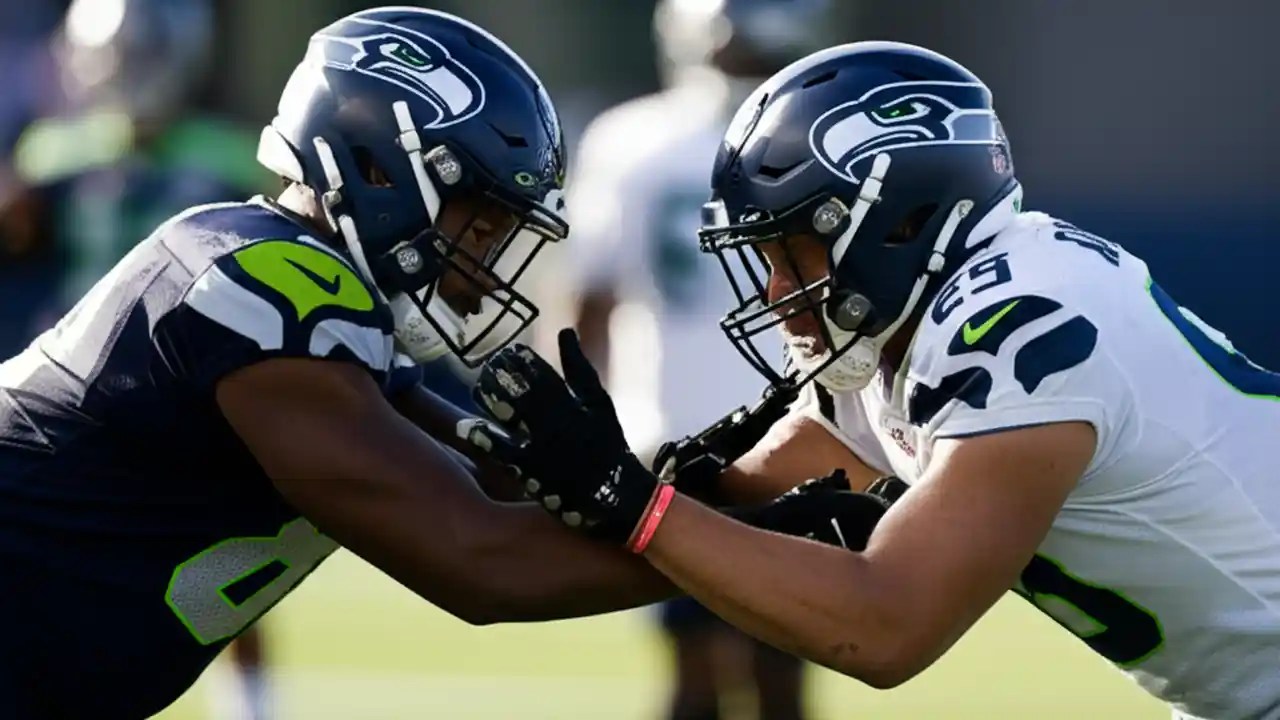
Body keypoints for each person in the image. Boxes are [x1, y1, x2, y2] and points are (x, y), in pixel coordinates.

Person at [466, 41, 1280, 720]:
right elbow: (733, 498)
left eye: (791, 250)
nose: (775, 293)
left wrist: (637, 505)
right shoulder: (903, 331)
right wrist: (606, 480)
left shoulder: (1020, 321)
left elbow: (885, 628)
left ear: (900, 224)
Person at [0, 9, 687, 717]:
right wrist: (735, 553)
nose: (484, 270)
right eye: (481, 226)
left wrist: (708, 485)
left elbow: (501, 478)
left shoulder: (316, 305)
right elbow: (480, 558)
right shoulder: (268, 289)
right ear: (378, 171)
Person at [564, 1, 835, 717]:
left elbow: (589, 305)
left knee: (699, 671)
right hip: (797, 430)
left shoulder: (632, 140)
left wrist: (577, 425)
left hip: (673, 433)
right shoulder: (819, 139)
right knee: (778, 667)